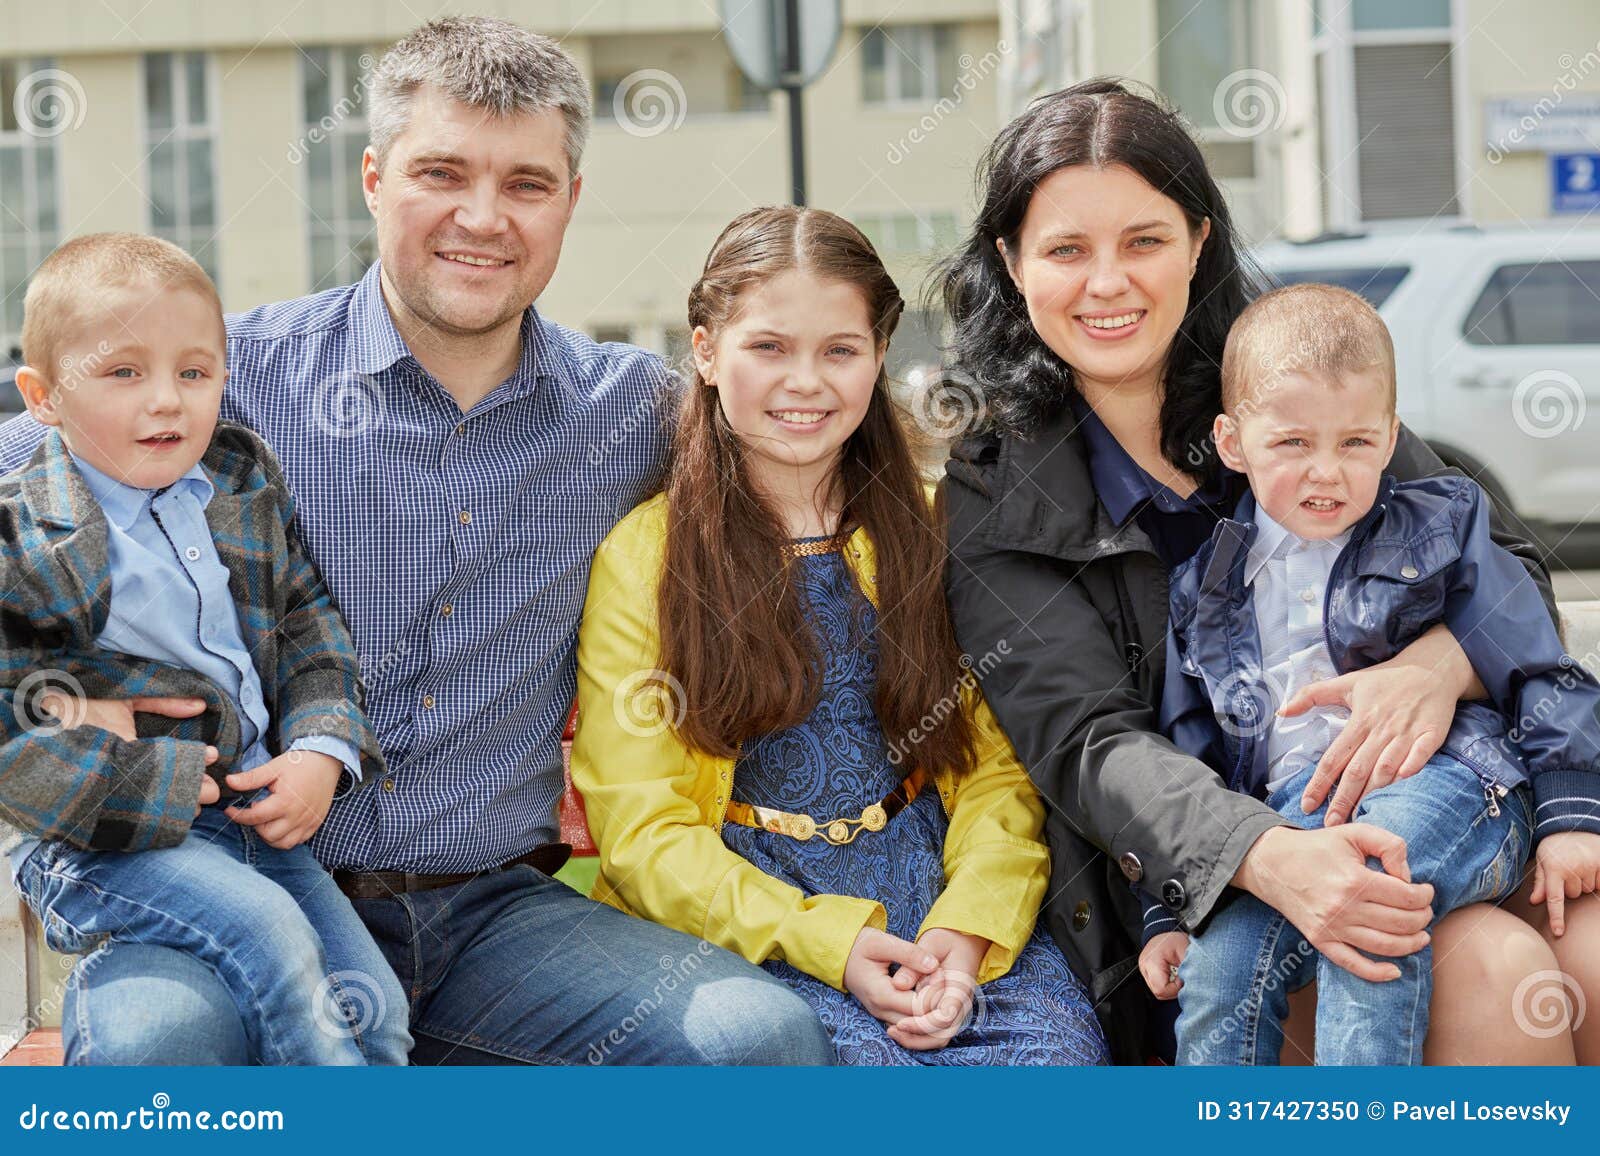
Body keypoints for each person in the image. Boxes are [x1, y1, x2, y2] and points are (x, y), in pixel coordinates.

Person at [0, 16, 832, 1066]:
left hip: (493, 917)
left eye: (527, 184)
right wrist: (57, 693)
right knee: (152, 1056)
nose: (482, 218)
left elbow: (820, 459)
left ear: (570, 200)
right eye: (442, 172)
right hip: (226, 879)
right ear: (374, 179)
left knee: (755, 1040)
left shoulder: (633, 413)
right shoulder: (215, 383)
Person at [935, 78, 1588, 1064]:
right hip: (1191, 886)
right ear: (1011, 260)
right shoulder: (994, 488)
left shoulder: (1294, 383)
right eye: (1066, 249)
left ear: (1198, 243)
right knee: (1500, 974)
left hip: (1445, 804)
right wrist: (1269, 857)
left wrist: (1436, 667)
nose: (1106, 282)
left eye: (1143, 241)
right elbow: (1088, 742)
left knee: (1587, 944)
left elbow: (1509, 569)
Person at [571, 205, 1109, 1064]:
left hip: (942, 910)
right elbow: (645, 834)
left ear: (880, 355)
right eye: (769, 347)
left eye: (840, 351)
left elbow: (996, 774)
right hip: (748, 922)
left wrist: (967, 935)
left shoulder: (930, 526)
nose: (806, 382)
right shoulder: (646, 558)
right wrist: (834, 944)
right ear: (706, 352)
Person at [1134, 282, 1600, 1064]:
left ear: (1390, 439)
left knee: (1371, 899)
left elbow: (1539, 661)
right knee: (1219, 970)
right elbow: (1186, 760)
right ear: (1232, 441)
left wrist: (1573, 812)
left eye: (1354, 443)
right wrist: (1168, 911)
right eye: (1292, 444)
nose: (1327, 473)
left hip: (1454, 785)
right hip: (1284, 827)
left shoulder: (1445, 522)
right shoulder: (1201, 586)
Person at [2, 232, 409, 1065]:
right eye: (123, 373)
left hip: (256, 816)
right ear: (43, 396)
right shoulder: (22, 534)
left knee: (372, 1010)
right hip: (102, 839)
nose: (167, 402)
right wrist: (163, 776)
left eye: (194, 373)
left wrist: (322, 750)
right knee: (269, 942)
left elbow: (304, 621)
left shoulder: (237, 479)